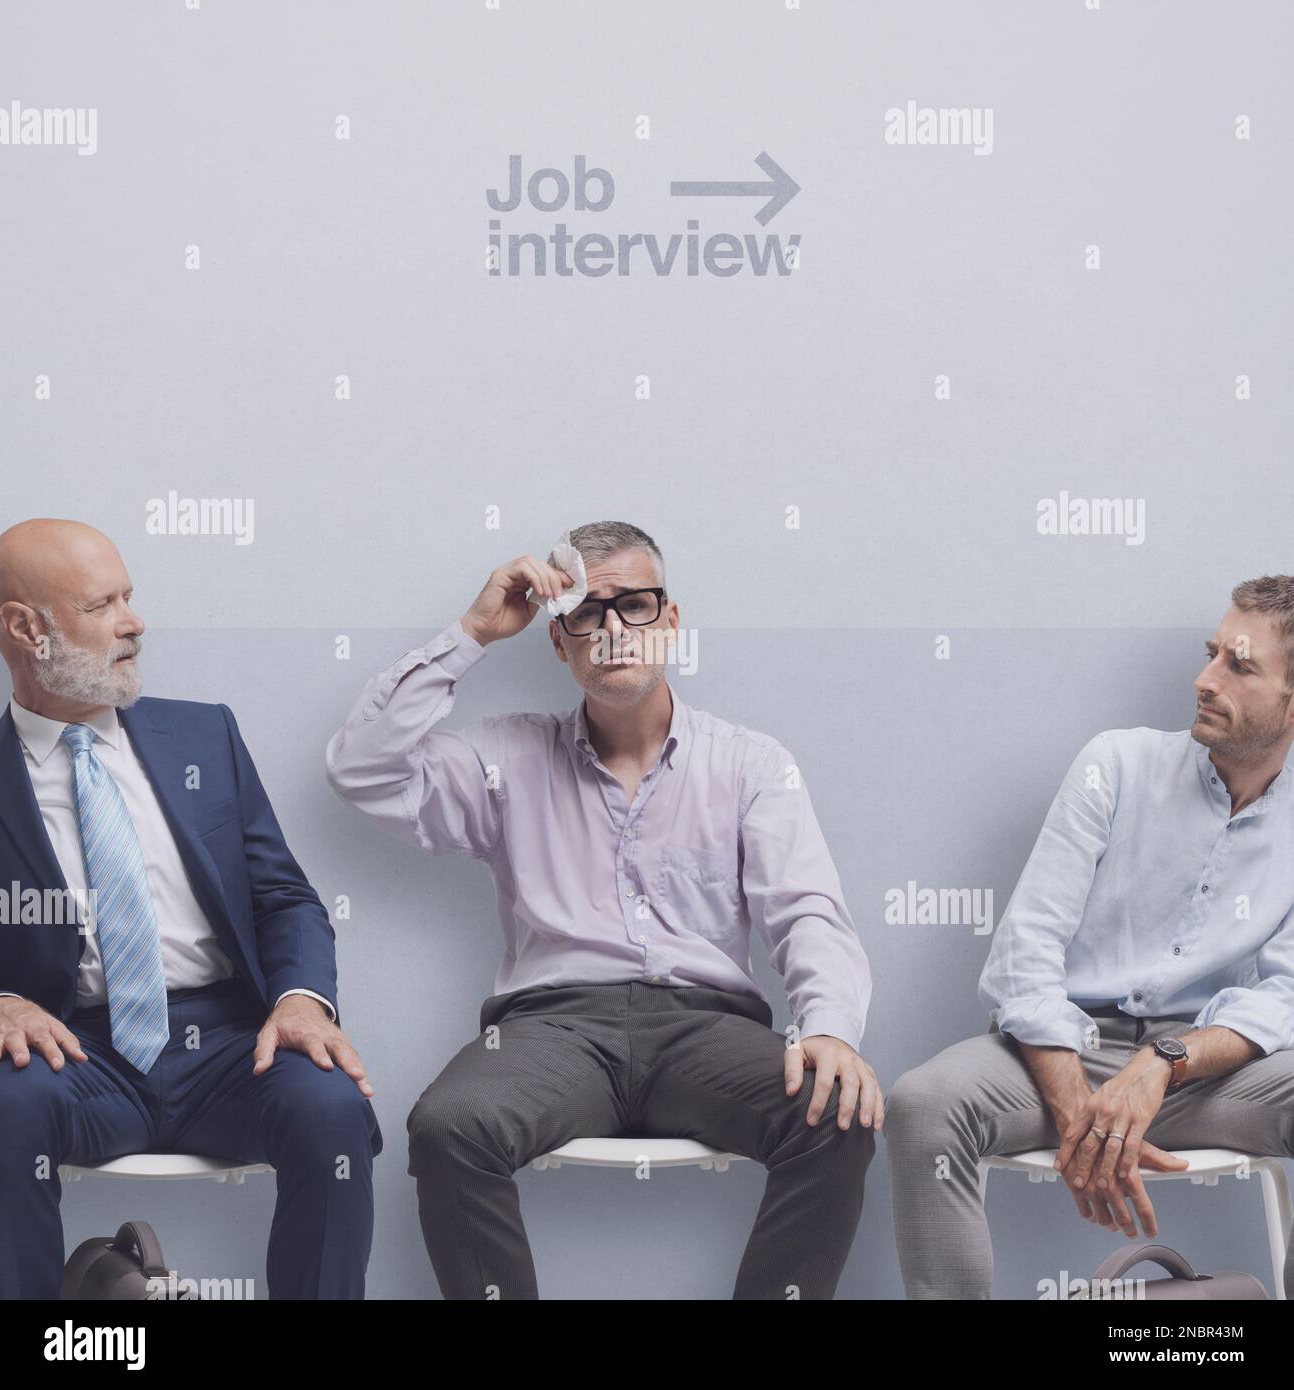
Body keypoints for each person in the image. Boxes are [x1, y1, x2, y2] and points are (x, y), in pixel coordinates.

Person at [325, 520, 878, 1299]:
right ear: (560, 642)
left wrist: (826, 1028)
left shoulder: (751, 764)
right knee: (451, 1126)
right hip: (550, 1029)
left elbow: (807, 913)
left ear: (672, 622)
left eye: (637, 606)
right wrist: (473, 633)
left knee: (836, 1113)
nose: (614, 629)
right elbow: (360, 769)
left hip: (706, 1028)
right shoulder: (505, 758)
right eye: (588, 612)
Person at [0, 518, 381, 1299]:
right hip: (79, 1052)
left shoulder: (204, 735)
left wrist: (304, 1002)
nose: (134, 622)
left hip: (229, 1047)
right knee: (3, 1106)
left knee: (332, 1106)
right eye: (104, 604)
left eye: (130, 597)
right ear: (25, 628)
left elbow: (284, 897)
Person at [886, 576, 1294, 1299]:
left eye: (1239, 665)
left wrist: (1163, 1062)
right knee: (925, 1102)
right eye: (1210, 655)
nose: (1204, 680)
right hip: (1060, 1055)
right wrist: (1081, 1114)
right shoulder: (1116, 764)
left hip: (1205, 1075)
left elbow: (1285, 996)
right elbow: (1024, 958)